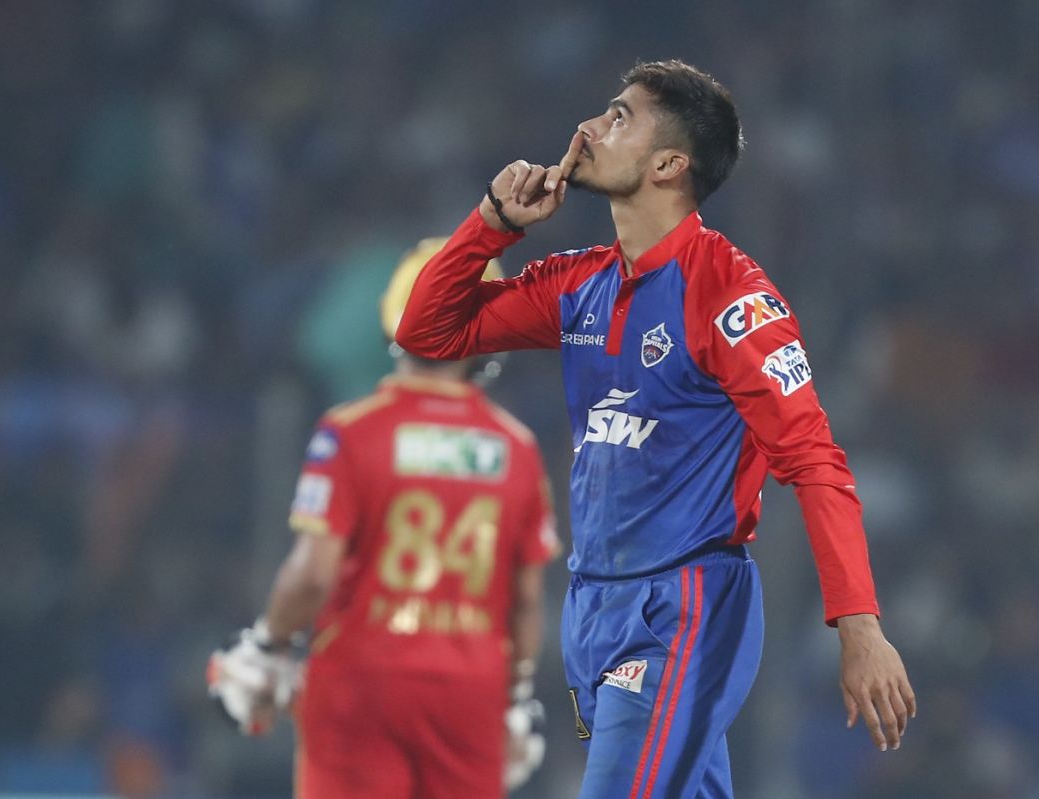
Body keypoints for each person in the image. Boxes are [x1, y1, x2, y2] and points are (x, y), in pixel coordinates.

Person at [395, 59, 916, 799]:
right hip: (591, 607)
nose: (587, 129)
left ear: (669, 164)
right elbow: (430, 331)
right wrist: (491, 225)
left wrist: (858, 627)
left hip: (684, 606)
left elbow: (813, 459)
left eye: (618, 118)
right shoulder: (580, 283)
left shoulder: (733, 298)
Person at [207, 238, 561, 798]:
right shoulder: (516, 449)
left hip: (359, 681)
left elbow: (313, 574)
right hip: (470, 691)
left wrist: (268, 643)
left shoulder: (352, 432)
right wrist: (516, 698)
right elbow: (525, 599)